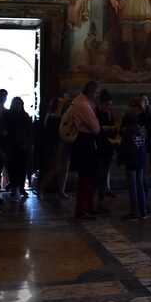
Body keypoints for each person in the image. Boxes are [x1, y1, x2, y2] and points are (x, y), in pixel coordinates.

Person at [66, 81, 100, 219]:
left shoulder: (79, 102)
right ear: (91, 91)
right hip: (85, 142)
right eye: (96, 93)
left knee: (88, 177)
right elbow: (96, 128)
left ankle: (86, 208)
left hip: (83, 142)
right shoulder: (82, 105)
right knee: (86, 177)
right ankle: (82, 209)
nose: (96, 96)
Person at [37, 95, 72, 199]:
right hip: (56, 144)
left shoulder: (65, 115)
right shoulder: (51, 115)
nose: (62, 104)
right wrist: (62, 105)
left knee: (65, 167)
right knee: (56, 167)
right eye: (59, 102)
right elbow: (55, 119)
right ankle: (40, 189)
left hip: (65, 142)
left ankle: (61, 191)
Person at [119, 112, 149, 220]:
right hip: (141, 161)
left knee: (133, 187)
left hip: (131, 162)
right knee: (140, 186)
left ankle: (134, 212)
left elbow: (124, 149)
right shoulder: (143, 131)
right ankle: (144, 211)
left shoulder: (128, 133)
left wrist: (120, 160)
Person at [95, 89, 117, 212]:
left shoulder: (109, 114)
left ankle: (101, 202)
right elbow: (96, 128)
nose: (108, 107)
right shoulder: (95, 113)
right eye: (106, 105)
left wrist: (110, 128)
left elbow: (112, 128)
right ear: (101, 103)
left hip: (108, 147)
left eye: (110, 105)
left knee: (104, 176)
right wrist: (107, 128)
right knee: (98, 176)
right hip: (98, 148)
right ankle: (98, 202)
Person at [6, 97, 32, 201]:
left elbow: (30, 131)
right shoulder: (7, 116)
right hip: (11, 145)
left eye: (19, 103)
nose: (17, 105)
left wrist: (26, 143)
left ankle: (20, 187)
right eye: (15, 103)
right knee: (12, 168)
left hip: (23, 146)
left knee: (22, 168)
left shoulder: (25, 116)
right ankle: (14, 187)